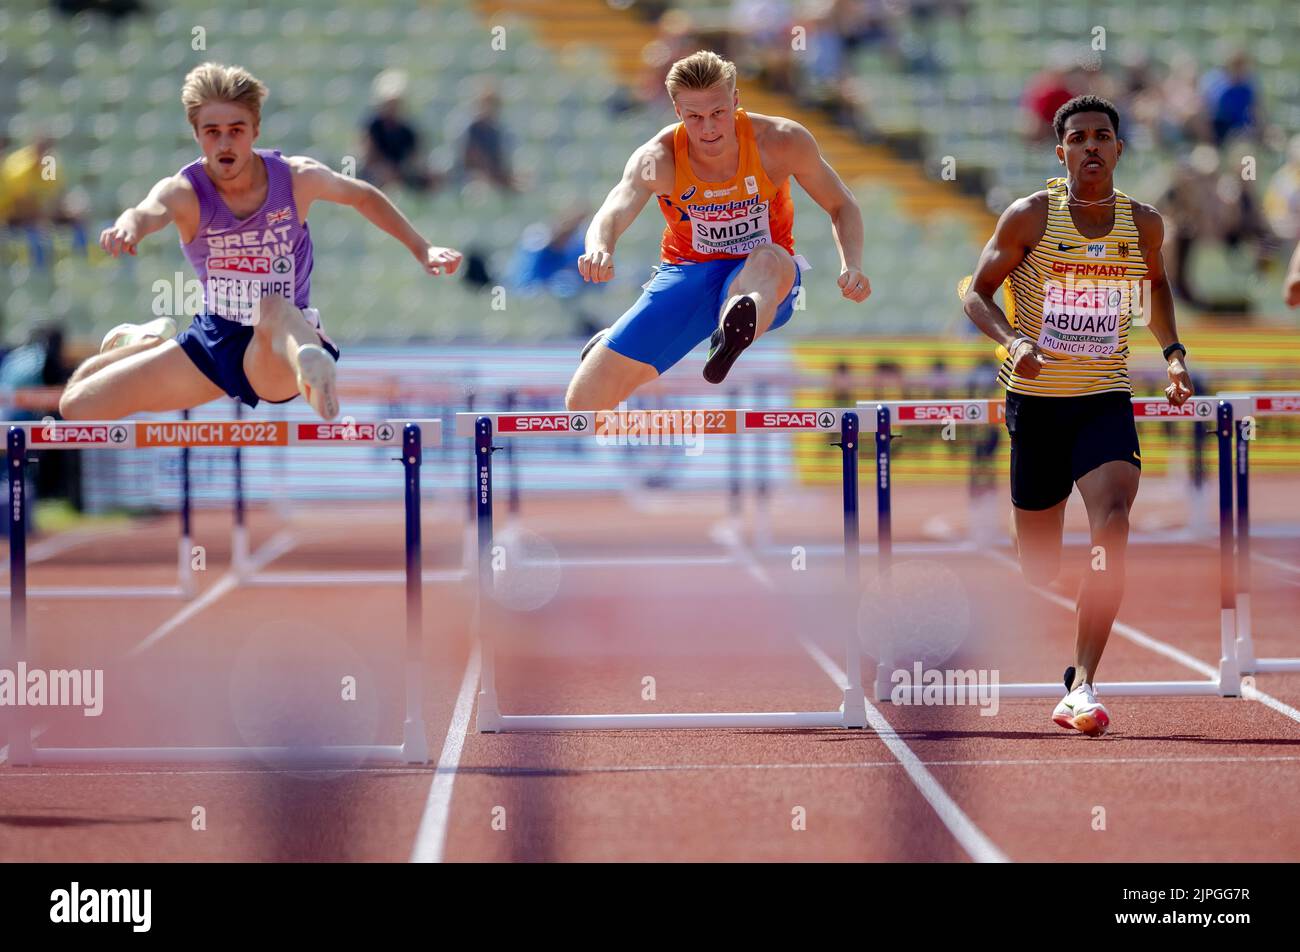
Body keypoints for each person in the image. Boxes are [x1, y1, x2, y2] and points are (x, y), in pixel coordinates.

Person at [961, 95, 1193, 736]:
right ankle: (1042, 557)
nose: (1091, 146)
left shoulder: (1143, 224)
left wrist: (1172, 354)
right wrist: (1013, 342)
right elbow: (975, 293)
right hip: (1035, 405)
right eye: (1079, 137)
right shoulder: (1029, 217)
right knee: (1038, 561)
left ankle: (1083, 683)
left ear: (1119, 149)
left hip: (1103, 399)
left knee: (1113, 522)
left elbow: (1155, 286)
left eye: (1103, 136)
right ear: (1059, 150)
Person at [59, 62, 461, 422]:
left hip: (279, 342)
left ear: (255, 130)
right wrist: (129, 228)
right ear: (197, 135)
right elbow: (147, 210)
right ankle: (145, 342)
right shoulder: (184, 191)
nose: (225, 144)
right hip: (214, 338)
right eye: (212, 133)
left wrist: (422, 248)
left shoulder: (295, 177)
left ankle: (314, 369)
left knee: (272, 307)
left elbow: (361, 194)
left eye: (236, 131)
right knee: (76, 407)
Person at [567, 50, 869, 409]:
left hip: (767, 276)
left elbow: (842, 204)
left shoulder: (781, 141)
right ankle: (622, 343)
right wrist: (600, 247)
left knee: (767, 258)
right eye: (695, 117)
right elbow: (614, 208)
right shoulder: (658, 158)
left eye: (718, 113)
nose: (708, 128)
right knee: (584, 404)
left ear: (736, 101)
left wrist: (851, 264)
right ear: (677, 113)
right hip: (689, 274)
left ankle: (734, 325)